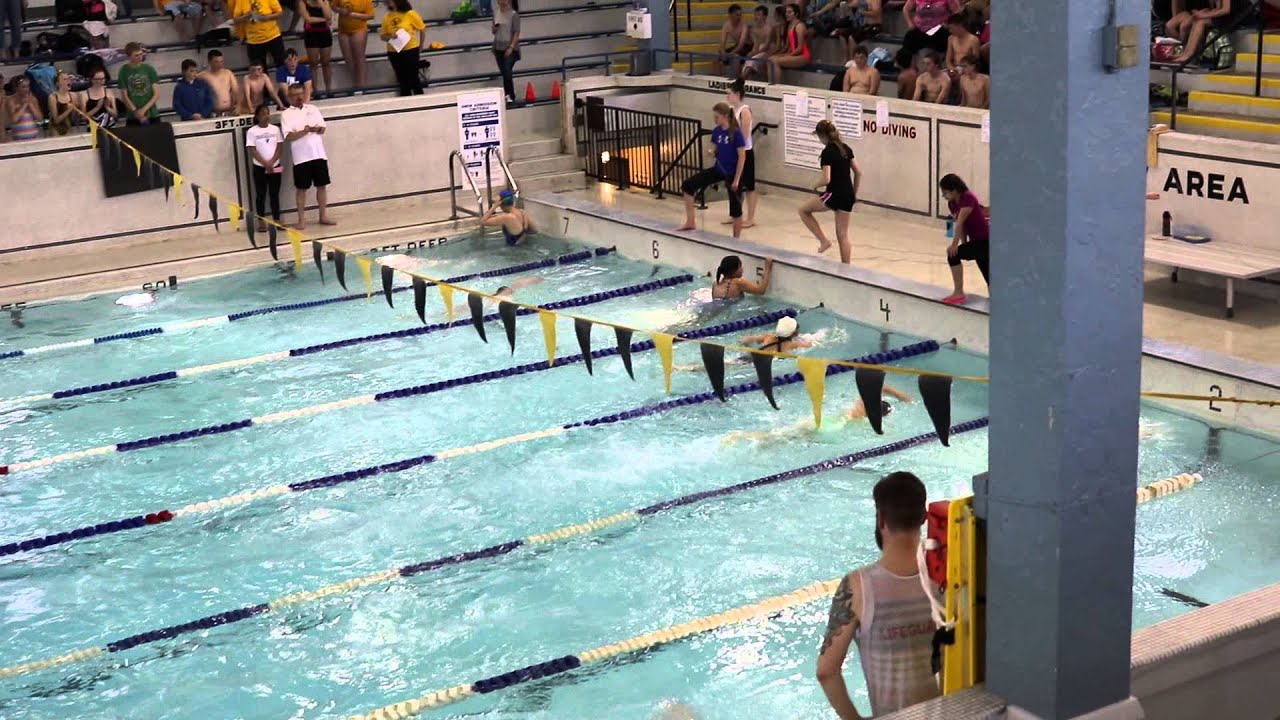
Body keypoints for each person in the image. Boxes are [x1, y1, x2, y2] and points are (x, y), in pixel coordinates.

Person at [816, 471, 940, 719]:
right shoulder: (948, 575)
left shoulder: (858, 586)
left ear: (881, 519)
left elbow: (826, 671)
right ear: (924, 518)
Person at [721, 384, 910, 446]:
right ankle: (741, 437)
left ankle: (747, 439)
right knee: (780, 439)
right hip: (826, 427)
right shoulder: (865, 420)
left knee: (779, 437)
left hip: (822, 421)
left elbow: (880, 386)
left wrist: (902, 397)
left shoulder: (859, 404)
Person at [675, 103, 747, 239]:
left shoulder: (736, 133)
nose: (715, 119)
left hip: (733, 173)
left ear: (725, 116)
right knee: (688, 185)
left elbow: (742, 157)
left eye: (717, 117)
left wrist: (737, 179)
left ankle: (736, 239)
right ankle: (690, 221)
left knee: (736, 209)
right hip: (719, 169)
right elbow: (713, 148)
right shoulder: (717, 131)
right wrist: (711, 152)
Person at [800, 119, 861, 264]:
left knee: (803, 210)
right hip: (848, 195)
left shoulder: (827, 152)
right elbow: (859, 172)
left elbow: (826, 179)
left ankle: (824, 241)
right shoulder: (845, 148)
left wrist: (815, 186)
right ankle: (846, 268)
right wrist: (854, 194)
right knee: (843, 235)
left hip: (834, 194)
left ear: (823, 136)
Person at [281, 83, 334, 229]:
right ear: (289, 97)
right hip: (301, 157)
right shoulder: (286, 114)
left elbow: (322, 129)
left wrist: (317, 128)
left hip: (318, 154)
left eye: (300, 94)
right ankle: (301, 219)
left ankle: (323, 215)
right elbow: (288, 136)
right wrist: (305, 131)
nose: (299, 97)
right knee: (301, 189)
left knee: (322, 185)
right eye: (295, 95)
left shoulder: (313, 109)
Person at [938, 173, 989, 304]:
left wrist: (955, 245)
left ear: (954, 190)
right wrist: (965, 244)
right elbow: (963, 227)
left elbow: (960, 223)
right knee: (989, 275)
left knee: (952, 255)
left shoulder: (968, 197)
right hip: (977, 242)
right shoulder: (952, 204)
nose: (943, 196)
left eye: (945, 193)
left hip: (986, 241)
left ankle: (958, 293)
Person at [722, 79, 758, 228]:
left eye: (728, 94)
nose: (727, 97)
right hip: (734, 152)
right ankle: (735, 213)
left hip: (745, 152)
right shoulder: (732, 110)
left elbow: (743, 135)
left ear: (737, 94)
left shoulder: (744, 110)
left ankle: (750, 218)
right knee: (733, 184)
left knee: (749, 186)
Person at [246, 103, 284, 231]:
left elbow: (279, 147)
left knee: (275, 193)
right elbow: (253, 150)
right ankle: (261, 221)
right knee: (260, 194)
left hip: (275, 166)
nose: (266, 116)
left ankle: (277, 220)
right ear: (257, 116)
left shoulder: (275, 129)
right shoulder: (252, 131)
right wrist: (265, 163)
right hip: (259, 167)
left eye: (267, 113)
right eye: (262, 114)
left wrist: (272, 162)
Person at [1170, 0, 1240, 64]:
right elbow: (1217, 8)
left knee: (1201, 22)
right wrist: (1202, 13)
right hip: (1222, 16)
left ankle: (1189, 54)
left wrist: (1205, 15)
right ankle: (1186, 52)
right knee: (1197, 20)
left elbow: (1226, 10)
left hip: (1233, 17)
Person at [382, 0, 426, 97]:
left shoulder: (410, 14)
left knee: (414, 78)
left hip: (410, 49)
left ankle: (420, 102)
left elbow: (422, 28)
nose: (388, 3)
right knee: (401, 80)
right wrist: (390, 36)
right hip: (394, 51)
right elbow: (383, 36)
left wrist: (421, 46)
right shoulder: (387, 17)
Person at [232, 0, 286, 70]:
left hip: (273, 36)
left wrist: (267, 17)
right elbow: (236, 20)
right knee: (258, 70)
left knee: (283, 65)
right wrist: (245, 16)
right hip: (254, 41)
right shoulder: (241, 1)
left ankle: (287, 81)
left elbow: (280, 13)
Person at [333, 0, 373, 89]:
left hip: (359, 28)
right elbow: (333, 6)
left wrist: (354, 15)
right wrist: (341, 10)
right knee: (348, 58)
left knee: (359, 57)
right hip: (343, 29)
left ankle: (362, 85)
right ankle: (355, 83)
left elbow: (371, 15)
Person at [119, 42, 161, 125]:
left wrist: (144, 109)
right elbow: (124, 95)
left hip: (151, 113)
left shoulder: (149, 69)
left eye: (141, 54)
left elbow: (156, 93)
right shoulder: (124, 70)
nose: (140, 57)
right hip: (133, 115)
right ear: (129, 56)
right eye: (136, 55)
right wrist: (135, 111)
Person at [298, 0, 333, 98]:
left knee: (326, 62)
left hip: (324, 33)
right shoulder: (303, 2)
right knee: (313, 63)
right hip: (311, 34)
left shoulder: (324, 1)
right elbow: (308, 19)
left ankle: (328, 90)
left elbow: (329, 16)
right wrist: (324, 20)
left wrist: (321, 3)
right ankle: (315, 90)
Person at [767, 4, 810, 84]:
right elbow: (788, 46)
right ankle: (770, 84)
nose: (787, 14)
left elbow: (800, 48)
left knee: (775, 61)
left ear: (796, 14)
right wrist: (781, 54)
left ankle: (777, 86)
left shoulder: (799, 26)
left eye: (790, 12)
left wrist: (787, 55)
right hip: (794, 54)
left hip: (803, 56)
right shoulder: (790, 26)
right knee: (770, 59)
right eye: (786, 12)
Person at [492, 0, 520, 103]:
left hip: (509, 47)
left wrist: (511, 47)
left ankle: (510, 95)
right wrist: (495, 27)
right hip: (498, 47)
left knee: (507, 71)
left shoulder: (513, 14)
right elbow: (493, 31)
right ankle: (507, 94)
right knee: (504, 72)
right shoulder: (496, 13)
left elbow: (516, 32)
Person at [200, 49, 241, 116]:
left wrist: (238, 106)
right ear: (209, 62)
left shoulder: (228, 73)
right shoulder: (203, 76)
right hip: (213, 113)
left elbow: (236, 91)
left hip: (229, 111)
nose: (220, 64)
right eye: (216, 62)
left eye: (221, 62)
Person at [716, 4, 750, 76]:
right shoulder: (726, 25)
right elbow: (722, 42)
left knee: (735, 57)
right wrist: (723, 52)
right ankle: (719, 78)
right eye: (737, 15)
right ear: (730, 15)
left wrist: (730, 54)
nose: (739, 17)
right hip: (737, 46)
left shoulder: (744, 25)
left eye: (740, 15)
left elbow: (741, 45)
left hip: (748, 47)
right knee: (717, 57)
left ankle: (736, 80)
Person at [5, 76, 43, 141]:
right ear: (16, 88)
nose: (26, 89)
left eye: (28, 86)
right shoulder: (10, 100)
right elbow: (14, 119)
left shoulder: (33, 99)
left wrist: (31, 105)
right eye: (23, 87)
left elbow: (40, 118)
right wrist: (24, 105)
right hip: (18, 139)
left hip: (34, 137)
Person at [741, 5, 774, 79]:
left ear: (765, 16)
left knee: (752, 60)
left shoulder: (769, 29)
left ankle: (740, 80)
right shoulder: (753, 29)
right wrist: (753, 52)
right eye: (755, 14)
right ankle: (745, 82)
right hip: (758, 50)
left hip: (768, 51)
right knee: (748, 59)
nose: (756, 17)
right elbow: (755, 44)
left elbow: (767, 45)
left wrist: (755, 53)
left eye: (758, 15)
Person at [943, 12, 980, 77]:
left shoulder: (974, 40)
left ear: (959, 26)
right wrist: (953, 69)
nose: (950, 31)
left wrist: (963, 70)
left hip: (968, 70)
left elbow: (975, 62)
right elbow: (948, 60)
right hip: (954, 68)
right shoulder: (951, 38)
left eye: (951, 28)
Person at [47, 71, 78, 136]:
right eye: (65, 79)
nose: (68, 81)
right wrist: (69, 109)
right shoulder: (53, 97)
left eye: (69, 79)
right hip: (55, 129)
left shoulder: (73, 96)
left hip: (68, 127)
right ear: (58, 83)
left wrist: (76, 109)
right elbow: (56, 120)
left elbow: (73, 118)